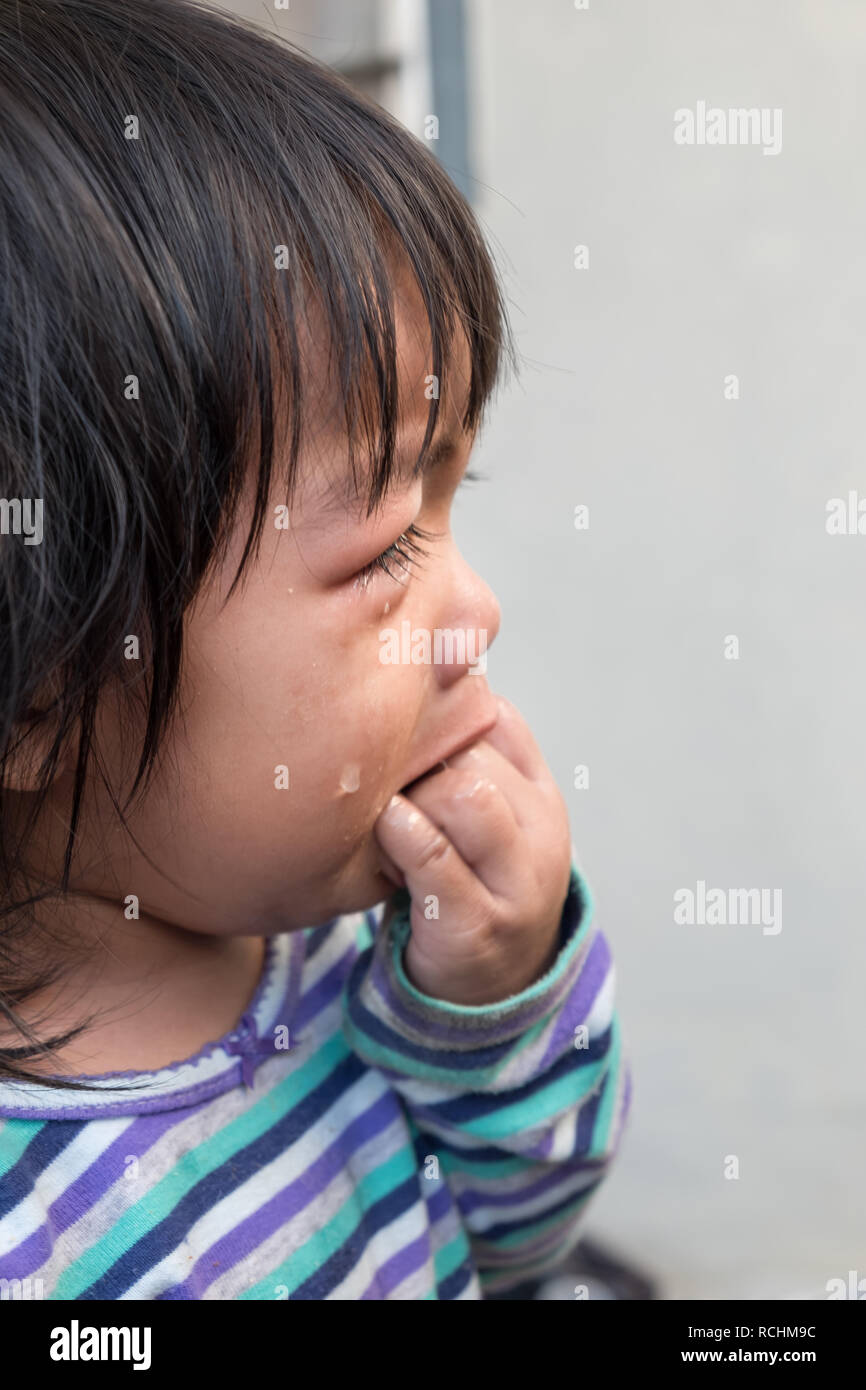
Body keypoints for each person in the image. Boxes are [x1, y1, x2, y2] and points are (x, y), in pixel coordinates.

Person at [0, 0, 630, 1300]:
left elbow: (520, 1235)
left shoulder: (339, 945)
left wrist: (494, 998)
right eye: (390, 546)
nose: (479, 609)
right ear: (42, 681)